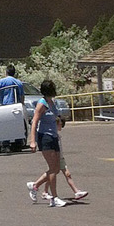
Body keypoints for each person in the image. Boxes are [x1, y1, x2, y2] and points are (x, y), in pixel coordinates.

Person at [27, 79, 75, 207]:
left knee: (56, 168)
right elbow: (34, 122)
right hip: (45, 138)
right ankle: (54, 198)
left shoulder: (52, 103)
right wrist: (32, 141)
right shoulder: (41, 104)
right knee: (53, 169)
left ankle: (35, 185)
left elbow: (56, 117)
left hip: (54, 136)